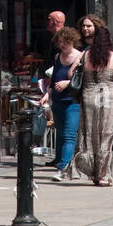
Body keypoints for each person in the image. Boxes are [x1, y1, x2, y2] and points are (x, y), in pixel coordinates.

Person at [65, 23, 113, 186]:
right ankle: (102, 175)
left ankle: (90, 171)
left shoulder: (85, 55)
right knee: (106, 135)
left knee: (88, 135)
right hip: (109, 98)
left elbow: (71, 73)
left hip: (88, 96)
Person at [40, 27, 82, 180]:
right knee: (62, 134)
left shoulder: (80, 56)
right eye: (60, 42)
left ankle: (62, 168)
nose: (62, 45)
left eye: (65, 42)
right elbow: (53, 80)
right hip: (57, 101)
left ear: (72, 41)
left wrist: (67, 83)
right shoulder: (58, 57)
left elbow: (82, 80)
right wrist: (47, 95)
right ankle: (71, 167)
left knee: (69, 135)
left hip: (73, 102)